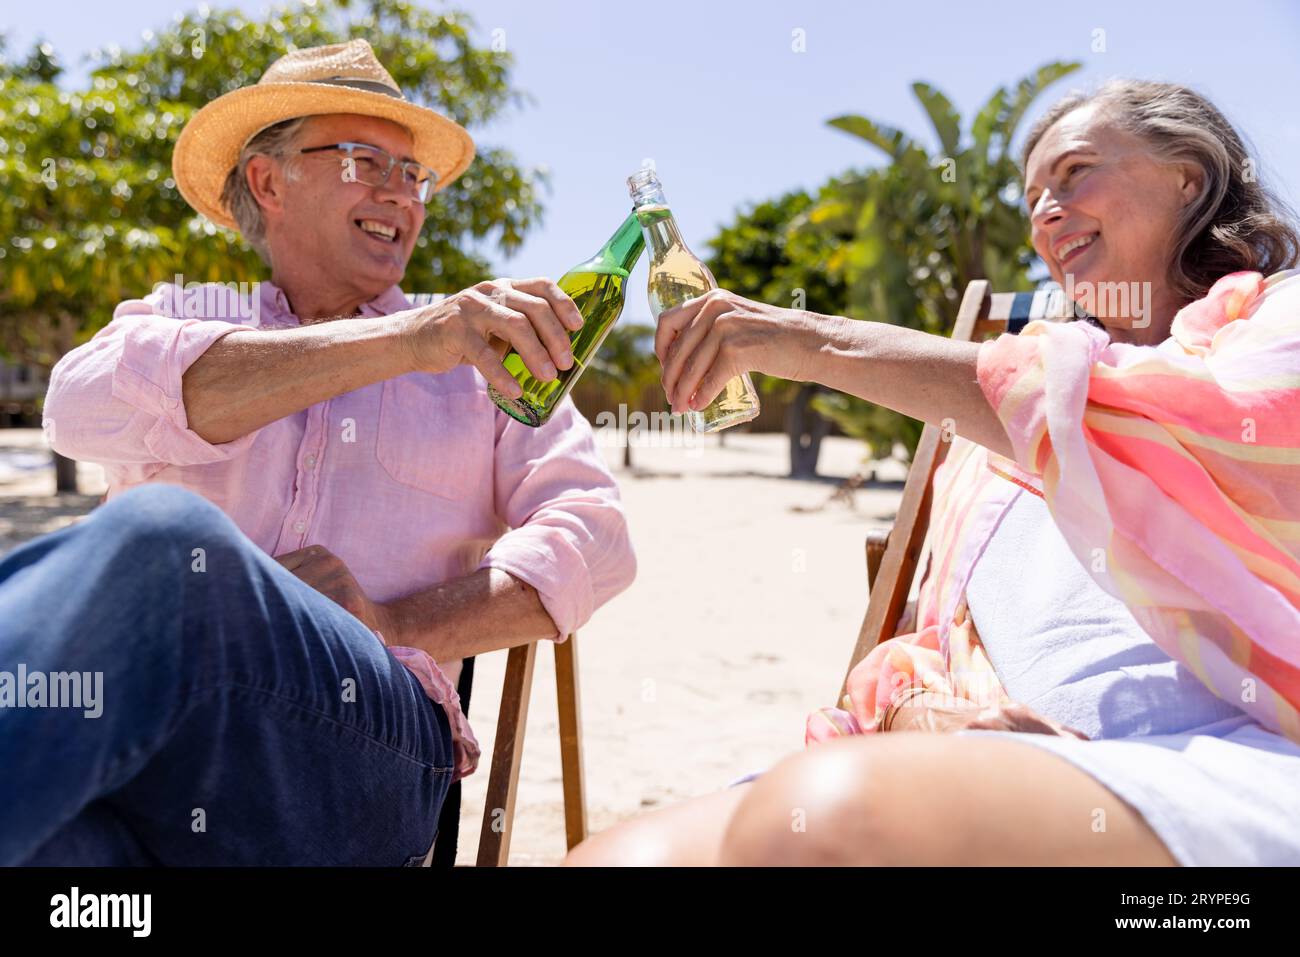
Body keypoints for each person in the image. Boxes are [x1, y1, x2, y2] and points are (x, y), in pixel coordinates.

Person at [564, 79, 1300, 866]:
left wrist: (808, 342)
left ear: (1188, 176)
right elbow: (933, 638)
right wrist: (925, 714)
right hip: (994, 763)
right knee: (616, 860)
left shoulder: (1274, 328)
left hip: (1221, 753)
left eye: (1076, 172)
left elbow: (1141, 423)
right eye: (1032, 199)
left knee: (828, 814)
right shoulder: (989, 446)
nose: (1046, 212)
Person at [2, 39, 636, 866]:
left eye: (413, 175)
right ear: (269, 181)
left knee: (165, 539)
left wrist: (392, 623)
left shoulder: (484, 365)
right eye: (364, 161)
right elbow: (74, 410)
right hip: (168, 754)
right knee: (69, 855)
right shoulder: (184, 315)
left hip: (364, 749)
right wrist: (402, 341)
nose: (400, 194)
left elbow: (596, 534)